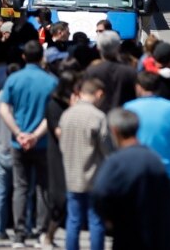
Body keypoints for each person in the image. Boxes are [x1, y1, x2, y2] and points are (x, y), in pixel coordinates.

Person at [91, 108, 170, 250]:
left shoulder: (116, 162)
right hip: (155, 236)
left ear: (115, 131)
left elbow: (99, 194)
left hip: (126, 236)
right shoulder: (155, 160)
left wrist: (111, 218)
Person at [0, 41, 58, 247]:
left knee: (20, 188)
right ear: (41, 56)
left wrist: (19, 133)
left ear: (24, 56)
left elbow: (4, 109)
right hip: (42, 143)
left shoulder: (14, 79)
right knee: (44, 188)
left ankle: (19, 234)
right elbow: (52, 115)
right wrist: (35, 135)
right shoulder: (51, 82)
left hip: (18, 143)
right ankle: (43, 232)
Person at [58, 77, 109, 250]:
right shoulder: (99, 116)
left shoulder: (67, 115)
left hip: (71, 174)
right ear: (99, 94)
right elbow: (106, 149)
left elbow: (62, 142)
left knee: (73, 220)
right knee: (96, 220)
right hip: (94, 176)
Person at [123, 71, 170, 203]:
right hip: (167, 169)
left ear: (138, 87)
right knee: (169, 219)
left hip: (136, 170)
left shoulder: (128, 108)